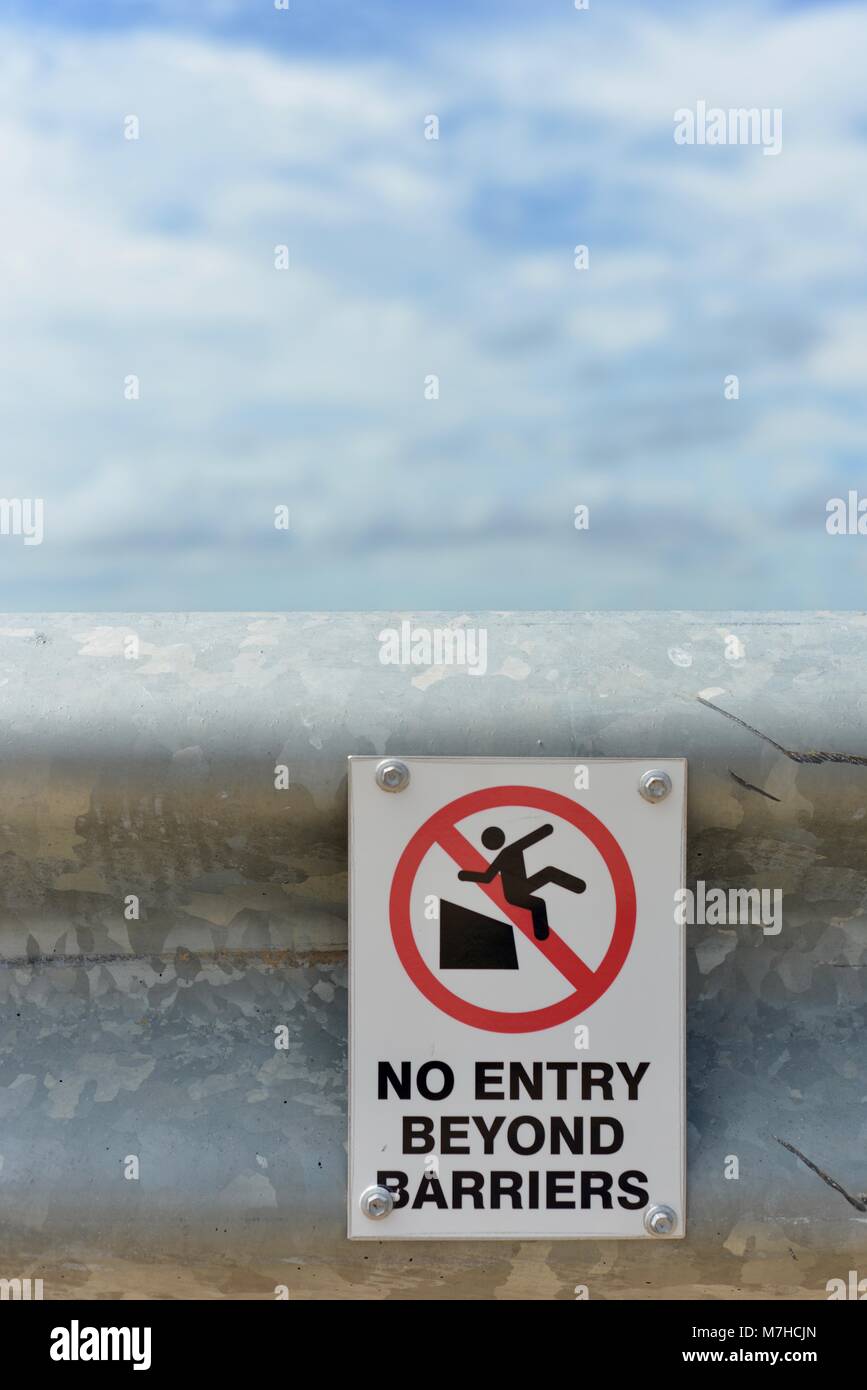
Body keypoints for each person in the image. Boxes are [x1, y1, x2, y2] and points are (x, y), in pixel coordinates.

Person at [457, 823, 586, 941]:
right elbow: (487, 878)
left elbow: (530, 839)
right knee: (538, 903)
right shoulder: (505, 854)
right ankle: (541, 936)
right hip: (514, 895)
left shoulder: (510, 850)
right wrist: (464, 875)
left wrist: (547, 830)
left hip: (524, 886)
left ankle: (579, 886)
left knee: (549, 872)